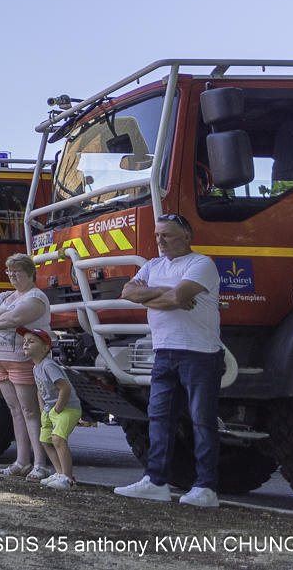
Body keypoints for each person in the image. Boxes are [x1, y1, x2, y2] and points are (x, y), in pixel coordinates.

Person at [114, 213, 224, 508]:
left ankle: (206, 488)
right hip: (163, 352)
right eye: (158, 235)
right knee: (159, 418)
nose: (160, 241)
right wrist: (165, 291)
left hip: (200, 353)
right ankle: (155, 481)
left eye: (168, 235)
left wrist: (152, 296)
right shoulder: (153, 265)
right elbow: (127, 292)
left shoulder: (201, 264)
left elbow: (177, 298)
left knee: (202, 421)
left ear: (187, 237)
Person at [0, 253, 51, 479]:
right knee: (15, 411)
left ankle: (40, 462)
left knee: (31, 410)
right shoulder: (5, 295)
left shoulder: (36, 297)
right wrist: (4, 315)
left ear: (30, 273)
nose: (12, 276)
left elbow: (16, 319)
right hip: (1, 360)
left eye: (17, 271)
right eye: (9, 271)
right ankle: (22, 461)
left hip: (22, 360)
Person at [22, 327, 78, 489]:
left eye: (31, 342)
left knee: (58, 439)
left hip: (67, 408)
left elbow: (65, 388)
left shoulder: (48, 366)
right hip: (49, 409)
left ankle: (68, 478)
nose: (25, 345)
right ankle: (60, 474)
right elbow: (40, 390)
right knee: (45, 440)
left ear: (45, 348)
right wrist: (43, 409)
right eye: (24, 342)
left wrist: (57, 409)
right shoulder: (36, 367)